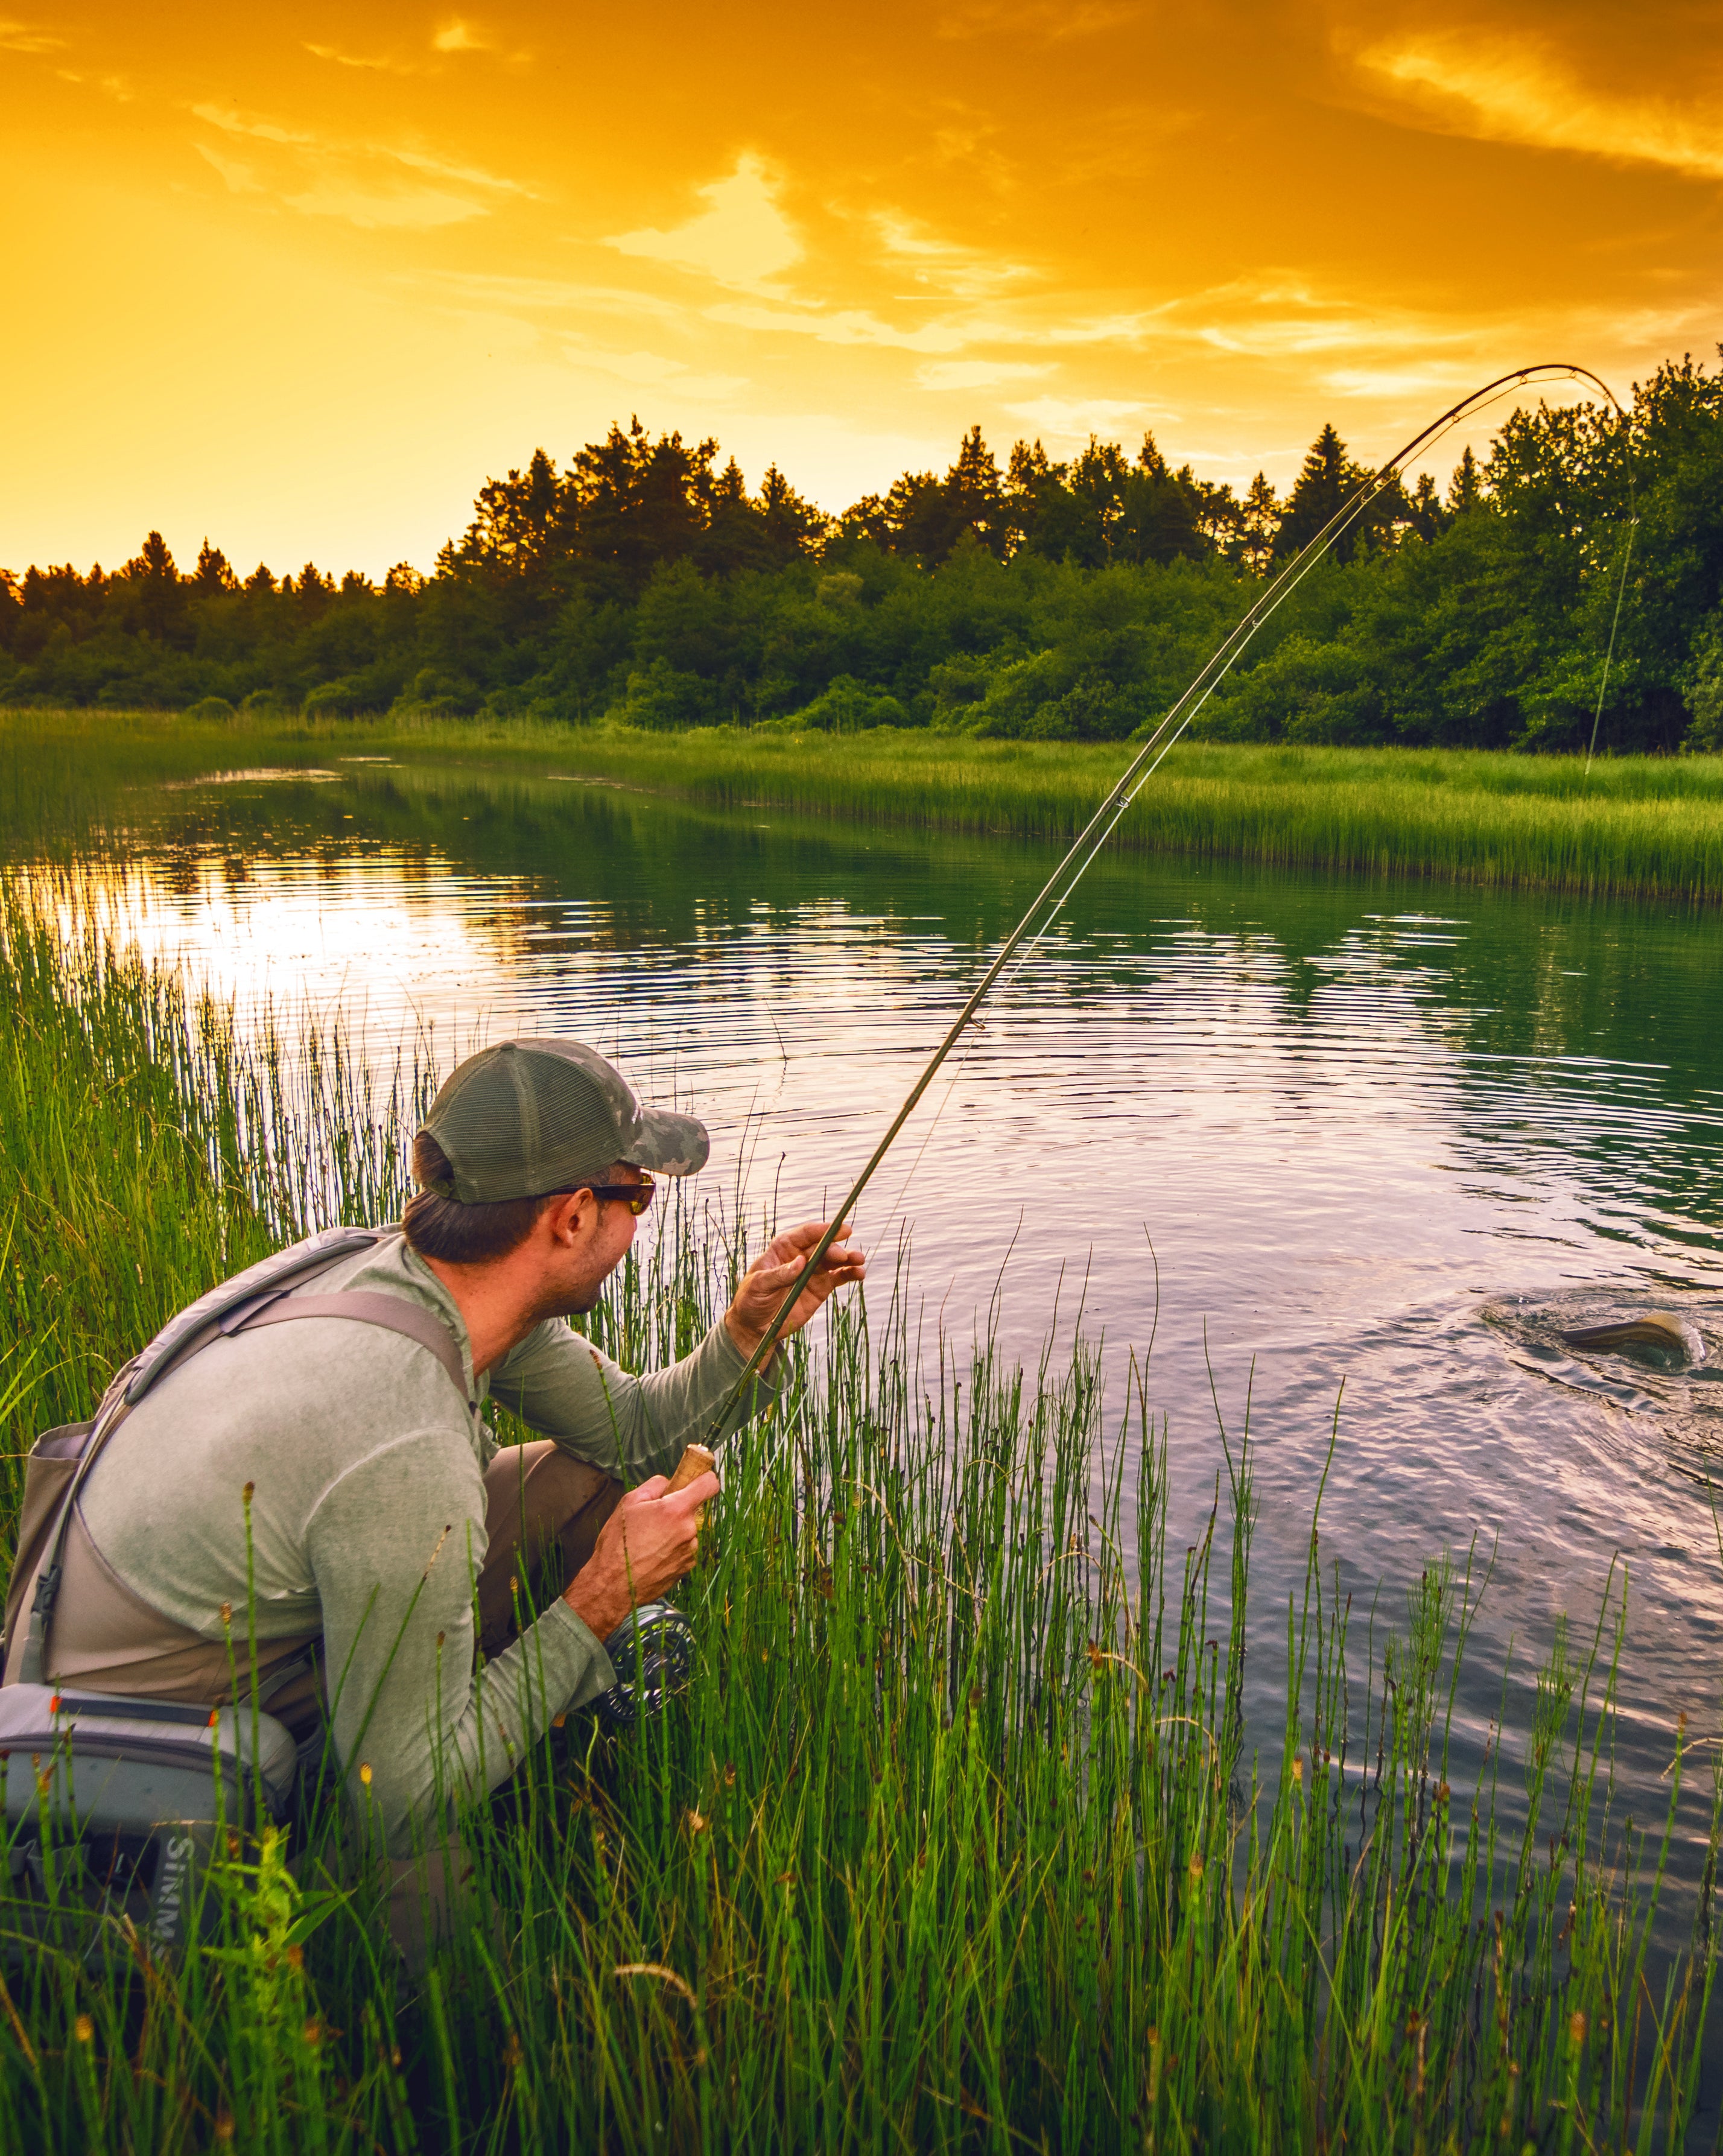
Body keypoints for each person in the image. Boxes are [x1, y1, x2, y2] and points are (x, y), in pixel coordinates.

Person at [10, 1038, 863, 1945]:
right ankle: (393, 1972)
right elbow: (403, 1794)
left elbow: (633, 1433)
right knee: (439, 1884)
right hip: (152, 1726)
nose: (639, 1218)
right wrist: (601, 1600)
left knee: (586, 1478)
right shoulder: (404, 1434)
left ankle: (472, 1706)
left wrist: (747, 1333)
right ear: (573, 1217)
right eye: (637, 1194)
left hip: (221, 1614)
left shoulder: (424, 1280)